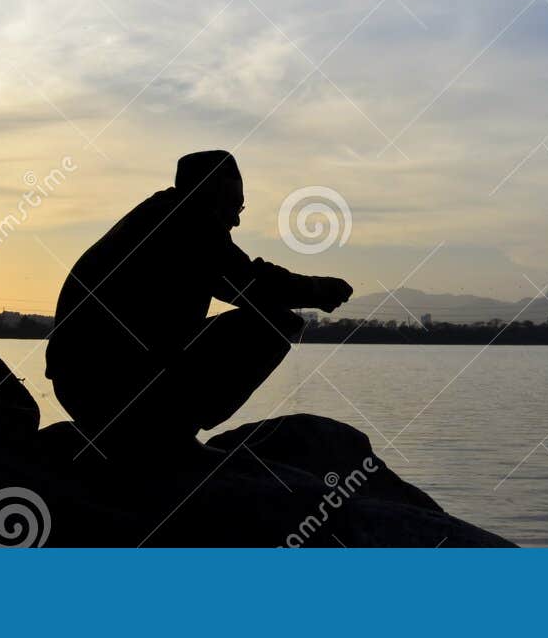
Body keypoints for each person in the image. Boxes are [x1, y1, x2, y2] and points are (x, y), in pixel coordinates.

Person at [45, 151, 353, 454]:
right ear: (204, 192)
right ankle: (170, 434)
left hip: (85, 383)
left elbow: (241, 279)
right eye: (231, 205)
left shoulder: (158, 213)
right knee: (276, 322)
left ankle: (166, 431)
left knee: (272, 317)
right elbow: (248, 282)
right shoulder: (185, 220)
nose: (235, 219)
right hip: (104, 384)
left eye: (240, 208)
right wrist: (316, 290)